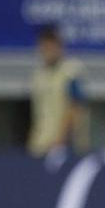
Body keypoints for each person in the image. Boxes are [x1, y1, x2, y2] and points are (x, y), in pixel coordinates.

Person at [27, 25, 90, 160]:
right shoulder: (39, 75)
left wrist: (60, 140)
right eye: (45, 46)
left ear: (60, 46)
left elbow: (75, 107)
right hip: (41, 145)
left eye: (52, 46)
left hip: (66, 147)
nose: (48, 51)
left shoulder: (70, 72)